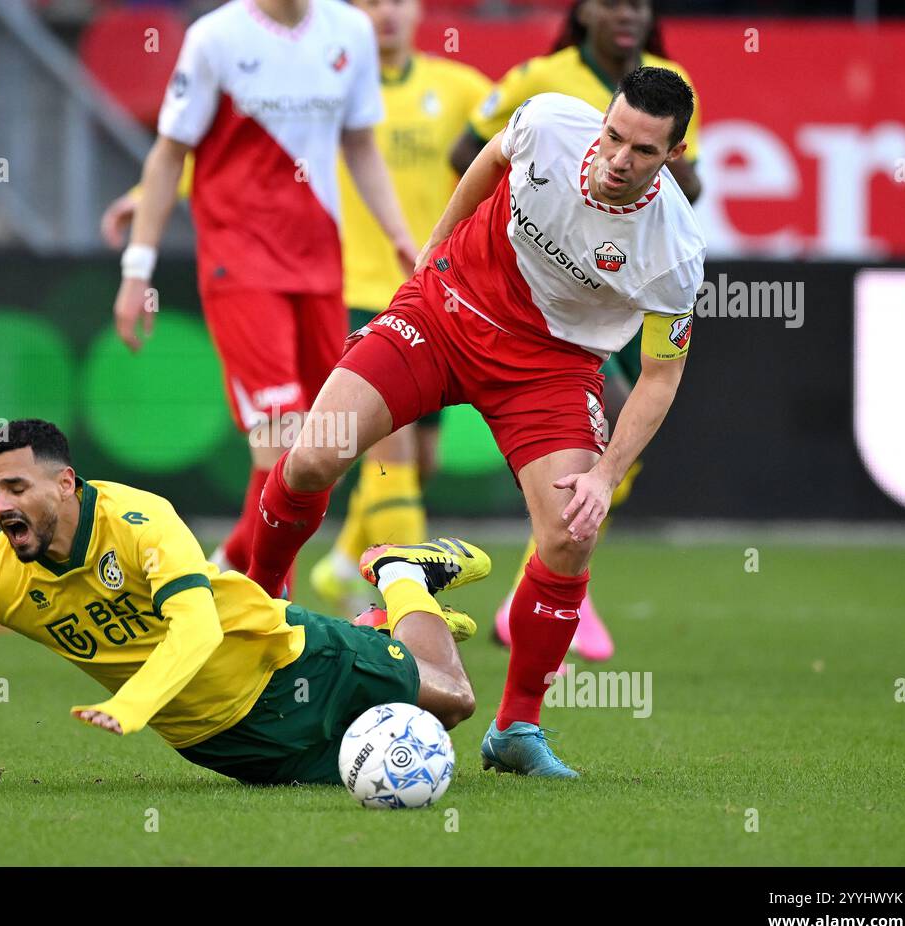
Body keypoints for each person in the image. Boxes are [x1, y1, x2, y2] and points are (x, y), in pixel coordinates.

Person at [243, 68, 706, 778]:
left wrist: (607, 475)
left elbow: (661, 374)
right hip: (446, 310)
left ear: (672, 156)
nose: (619, 158)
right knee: (312, 456)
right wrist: (435, 246)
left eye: (643, 151)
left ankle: (516, 727)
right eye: (614, 135)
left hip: (549, 369)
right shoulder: (549, 123)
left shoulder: (673, 249)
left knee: (569, 533)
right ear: (602, 119)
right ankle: (258, 605)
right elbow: (490, 160)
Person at [0, 420, 488, 793]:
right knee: (398, 764)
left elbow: (197, 625)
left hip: (286, 655)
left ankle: (398, 574)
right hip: (225, 745)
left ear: (65, 484)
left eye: (16, 487)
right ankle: (380, 619)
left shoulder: (141, 521)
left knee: (452, 703)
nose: (1, 505)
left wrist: (133, 706)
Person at [111, 0, 417, 595]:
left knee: (323, 445)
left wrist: (400, 234)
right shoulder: (215, 39)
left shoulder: (348, 31)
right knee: (279, 432)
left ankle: (222, 568)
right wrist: (135, 270)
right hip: (240, 263)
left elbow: (359, 144)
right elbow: (172, 150)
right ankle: (272, 612)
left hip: (322, 265)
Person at [450, 0, 703, 658]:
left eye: (639, 6)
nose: (628, 17)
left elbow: (691, 188)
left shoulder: (669, 83)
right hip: (515, 282)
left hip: (603, 304)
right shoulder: (544, 79)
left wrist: (654, 173)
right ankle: (545, 576)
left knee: (620, 438)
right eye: (614, 4)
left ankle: (547, 579)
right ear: (584, 12)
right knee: (410, 447)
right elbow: (470, 149)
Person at [309, 0, 491, 617]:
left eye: (397, 0)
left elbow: (525, 145)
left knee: (420, 461)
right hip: (354, 288)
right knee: (393, 455)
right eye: (370, 1)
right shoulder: (326, 87)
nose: (385, 13)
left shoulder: (461, 89)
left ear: (418, 12)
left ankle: (344, 562)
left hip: (438, 292)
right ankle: (411, 606)